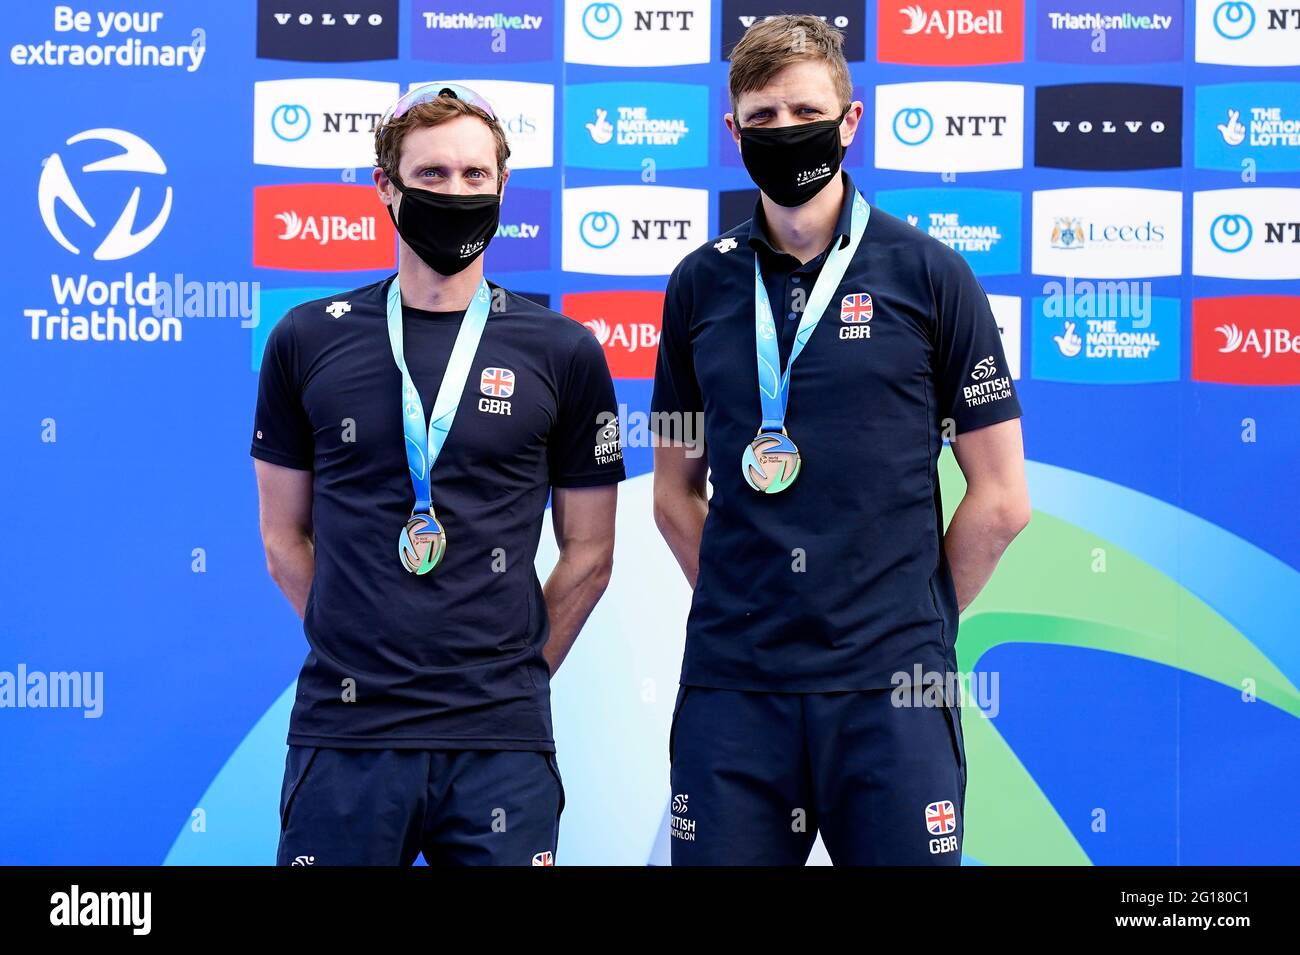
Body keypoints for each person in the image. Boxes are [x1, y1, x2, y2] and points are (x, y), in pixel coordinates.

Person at [651, 16, 1030, 865]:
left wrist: (911, 619)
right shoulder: (697, 285)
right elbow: (674, 486)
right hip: (734, 687)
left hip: (892, 689)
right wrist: (750, 606)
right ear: (734, 132)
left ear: (850, 122)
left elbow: (1002, 499)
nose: (786, 133)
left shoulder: (931, 275)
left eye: (805, 111)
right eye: (764, 118)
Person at [251, 83, 624, 866]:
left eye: (473, 176)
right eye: (431, 176)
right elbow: (284, 535)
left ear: (500, 187)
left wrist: (514, 674)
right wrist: (360, 645)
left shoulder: (564, 351)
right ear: (385, 187)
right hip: (346, 734)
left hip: (500, 744)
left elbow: (590, 552)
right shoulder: (305, 339)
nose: (455, 192)